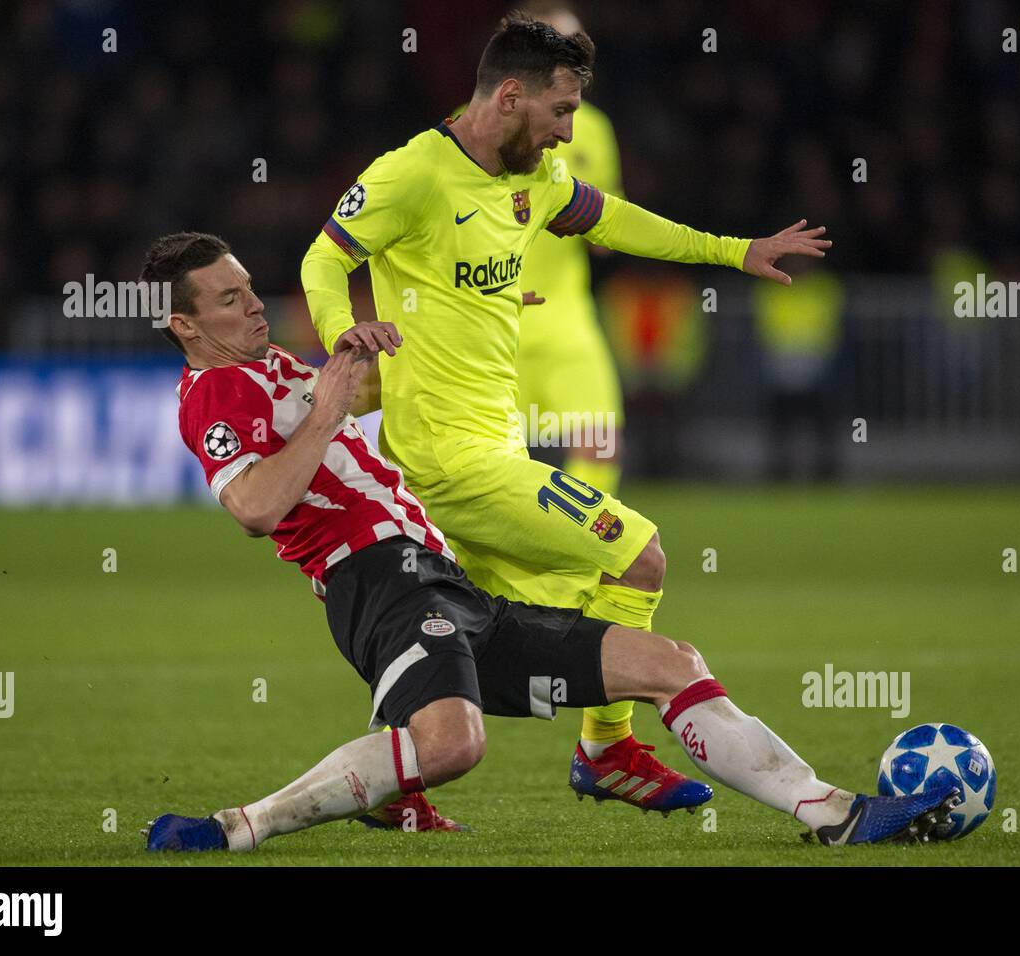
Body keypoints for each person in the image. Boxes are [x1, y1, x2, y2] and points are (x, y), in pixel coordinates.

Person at [139, 233, 955, 852]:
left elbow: (372, 401)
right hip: (379, 586)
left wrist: (469, 326)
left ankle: (837, 814)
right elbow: (251, 505)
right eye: (227, 300)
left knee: (672, 662)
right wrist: (326, 411)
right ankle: (236, 829)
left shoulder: (270, 365)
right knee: (455, 744)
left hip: (448, 587)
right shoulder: (212, 392)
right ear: (184, 324)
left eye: (248, 289)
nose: (252, 306)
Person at [300, 14, 832, 812]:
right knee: (639, 555)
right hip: (455, 460)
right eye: (560, 113)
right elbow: (324, 256)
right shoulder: (412, 173)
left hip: (487, 450)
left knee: (452, 627)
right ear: (510, 97)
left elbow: (618, 221)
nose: (568, 132)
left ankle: (392, 783)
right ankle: (607, 747)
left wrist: (735, 250)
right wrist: (345, 331)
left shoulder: (535, 181)